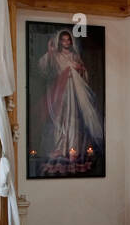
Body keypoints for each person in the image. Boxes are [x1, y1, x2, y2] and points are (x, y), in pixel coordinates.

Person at [37, 29, 104, 162]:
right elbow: (43, 69)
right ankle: (59, 148)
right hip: (60, 92)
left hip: (74, 92)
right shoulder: (55, 55)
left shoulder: (74, 56)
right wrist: (50, 52)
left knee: (73, 120)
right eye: (63, 40)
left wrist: (80, 70)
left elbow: (84, 74)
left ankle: (73, 148)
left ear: (71, 41)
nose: (66, 42)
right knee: (59, 119)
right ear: (59, 41)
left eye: (68, 39)